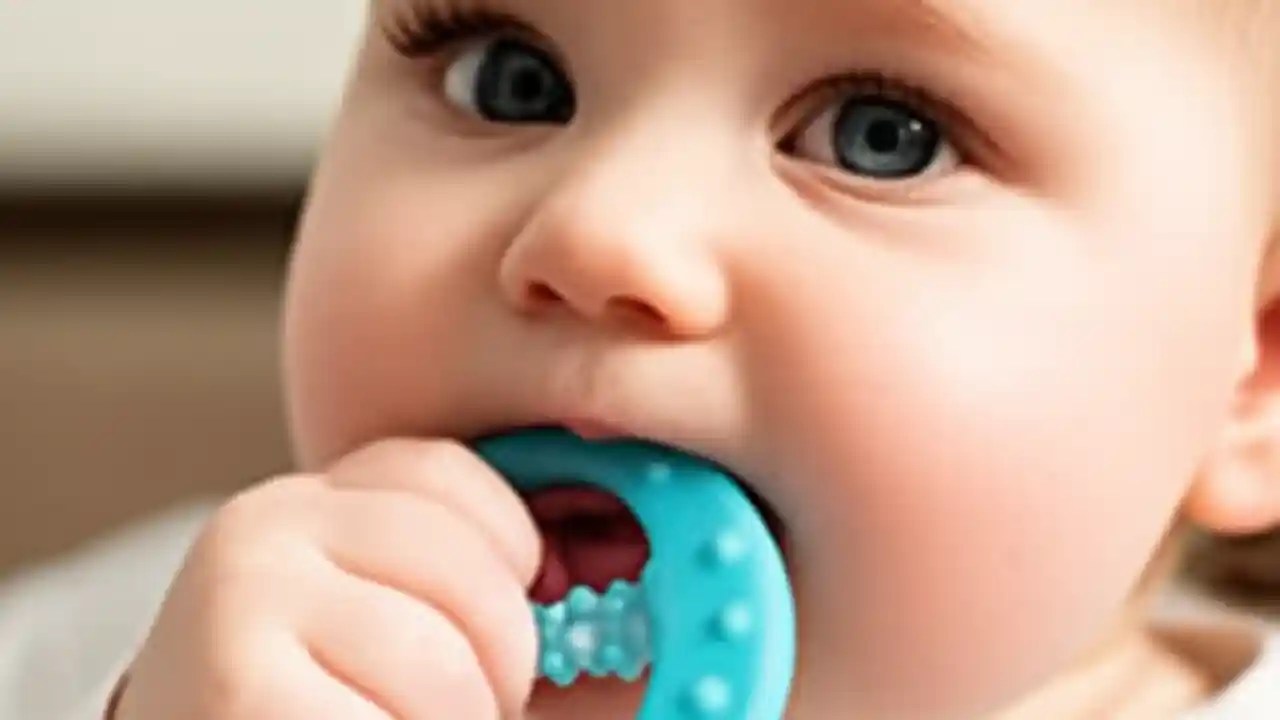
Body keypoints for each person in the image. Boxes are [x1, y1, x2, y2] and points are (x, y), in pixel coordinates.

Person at [8, 0, 1280, 717]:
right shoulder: (140, 652)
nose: (597, 229)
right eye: (513, 79)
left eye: (880, 135)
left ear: (1255, 379)